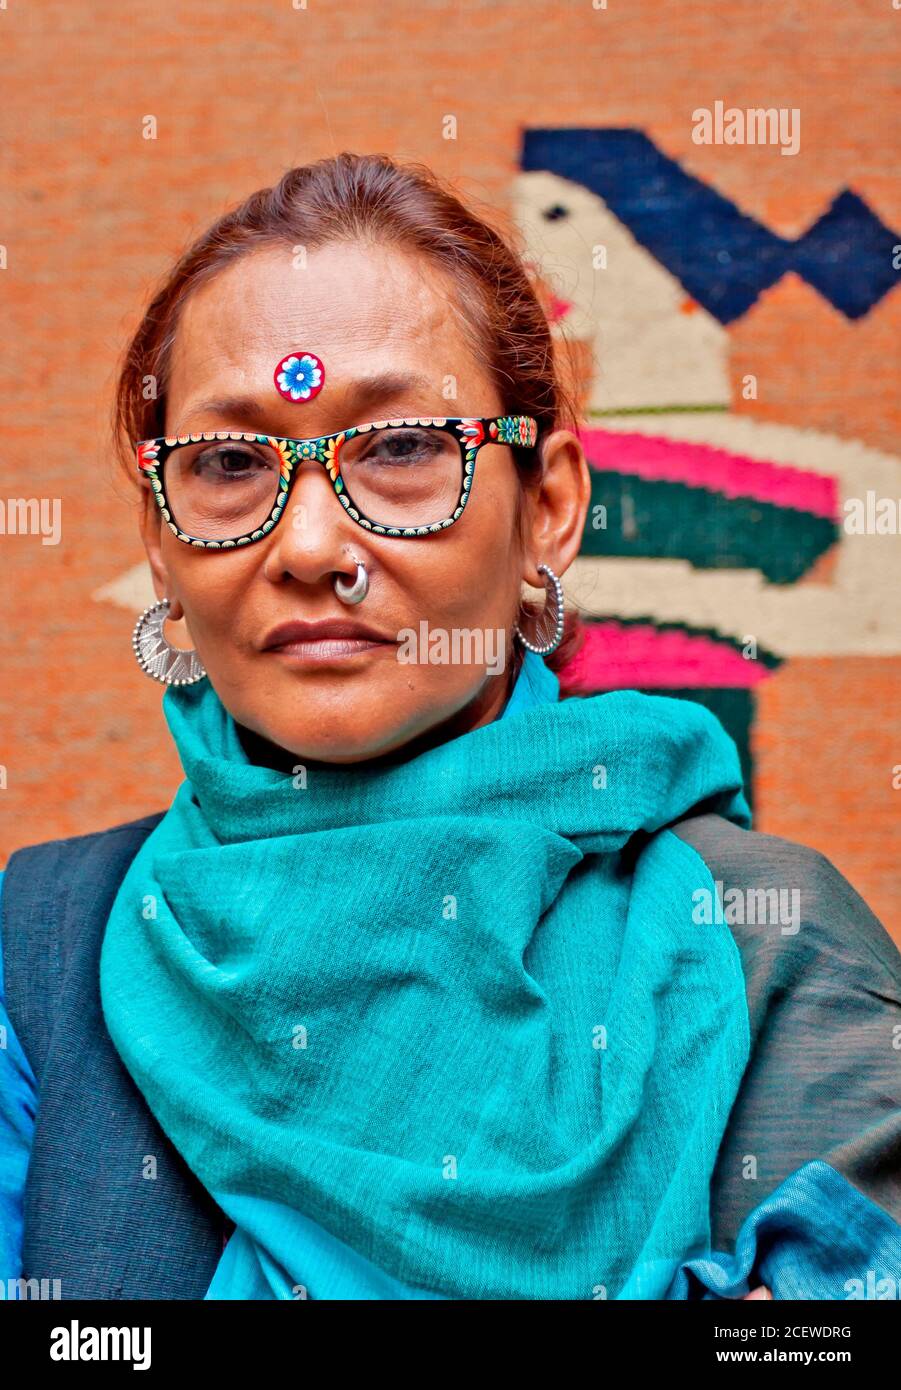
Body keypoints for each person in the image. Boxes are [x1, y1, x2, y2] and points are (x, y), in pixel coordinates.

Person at [1, 153, 898, 1301]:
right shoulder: (42, 955)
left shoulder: (767, 943)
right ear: (161, 542)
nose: (309, 546)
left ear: (549, 508)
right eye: (228, 463)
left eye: (403, 449)